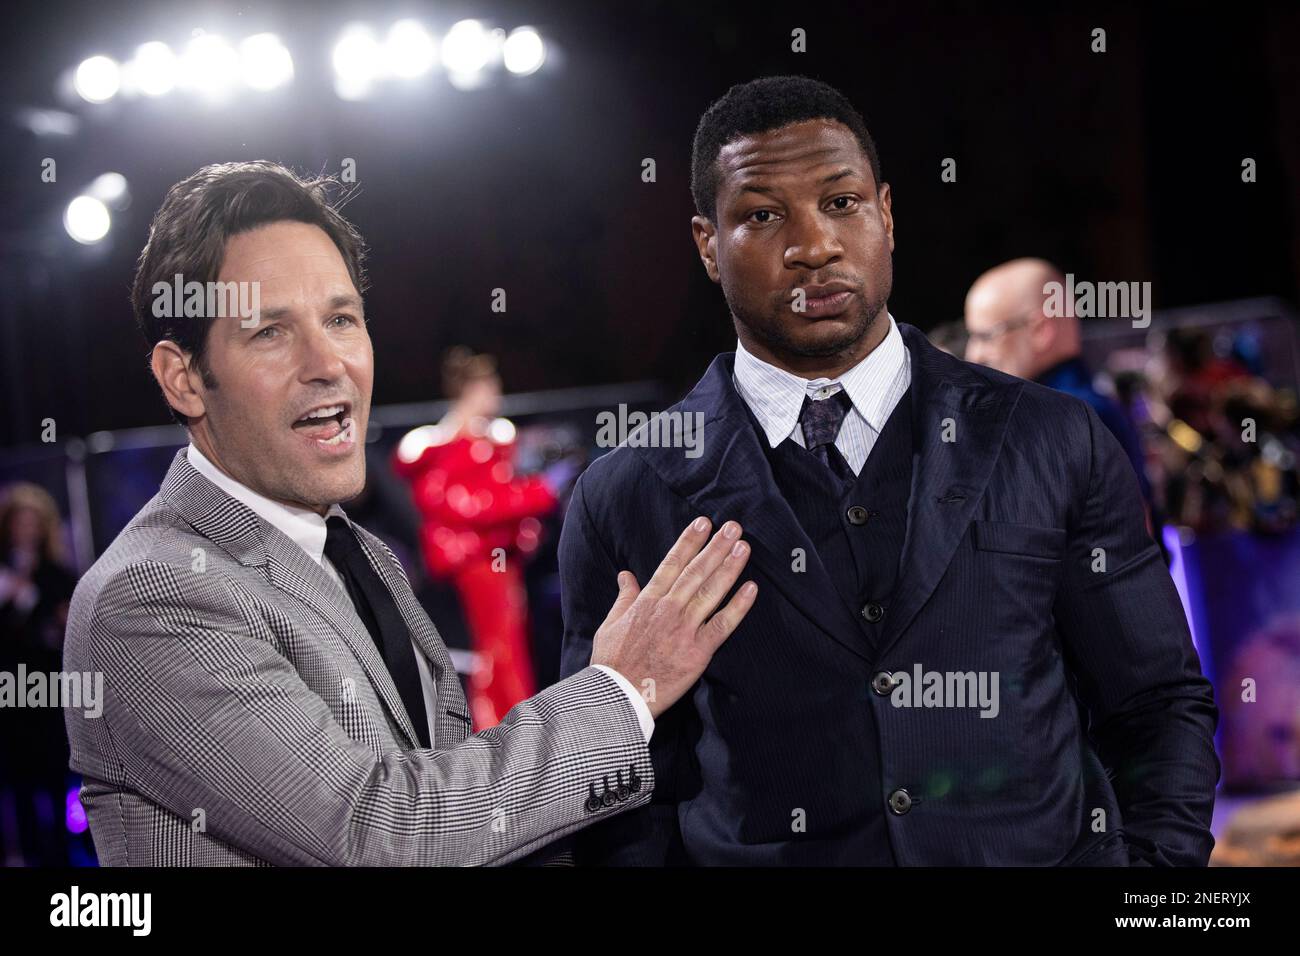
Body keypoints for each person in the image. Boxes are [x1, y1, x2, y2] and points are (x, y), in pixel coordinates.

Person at [558, 76, 1219, 865]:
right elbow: (618, 786)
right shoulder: (625, 492)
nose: (815, 246)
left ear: (887, 214)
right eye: (764, 215)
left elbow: (1155, 704)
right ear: (707, 244)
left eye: (841, 203)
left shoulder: (1051, 437)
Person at [62, 161, 758, 866]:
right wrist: (619, 694)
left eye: (340, 318)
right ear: (183, 378)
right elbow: (381, 833)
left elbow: (460, 810)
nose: (327, 362)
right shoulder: (151, 596)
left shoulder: (364, 555)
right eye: (270, 332)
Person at [393, 348, 569, 729]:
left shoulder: (486, 440)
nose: (496, 392)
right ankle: (509, 731)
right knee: (498, 649)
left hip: (497, 559)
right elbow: (471, 506)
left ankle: (509, 727)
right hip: (479, 562)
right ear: (470, 390)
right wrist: (539, 493)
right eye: (488, 385)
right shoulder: (453, 446)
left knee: (502, 648)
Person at [964, 257, 1151, 501]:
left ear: (1041, 330)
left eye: (986, 336)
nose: (973, 354)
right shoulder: (1087, 411)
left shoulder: (1058, 418)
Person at [0, 483, 78, 865]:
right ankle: (26, 853)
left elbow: (67, 628)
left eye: (33, 523)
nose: (26, 530)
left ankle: (64, 854)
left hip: (49, 686)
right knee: (19, 778)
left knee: (55, 771)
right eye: (19, 522)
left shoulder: (58, 575)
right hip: (9, 689)